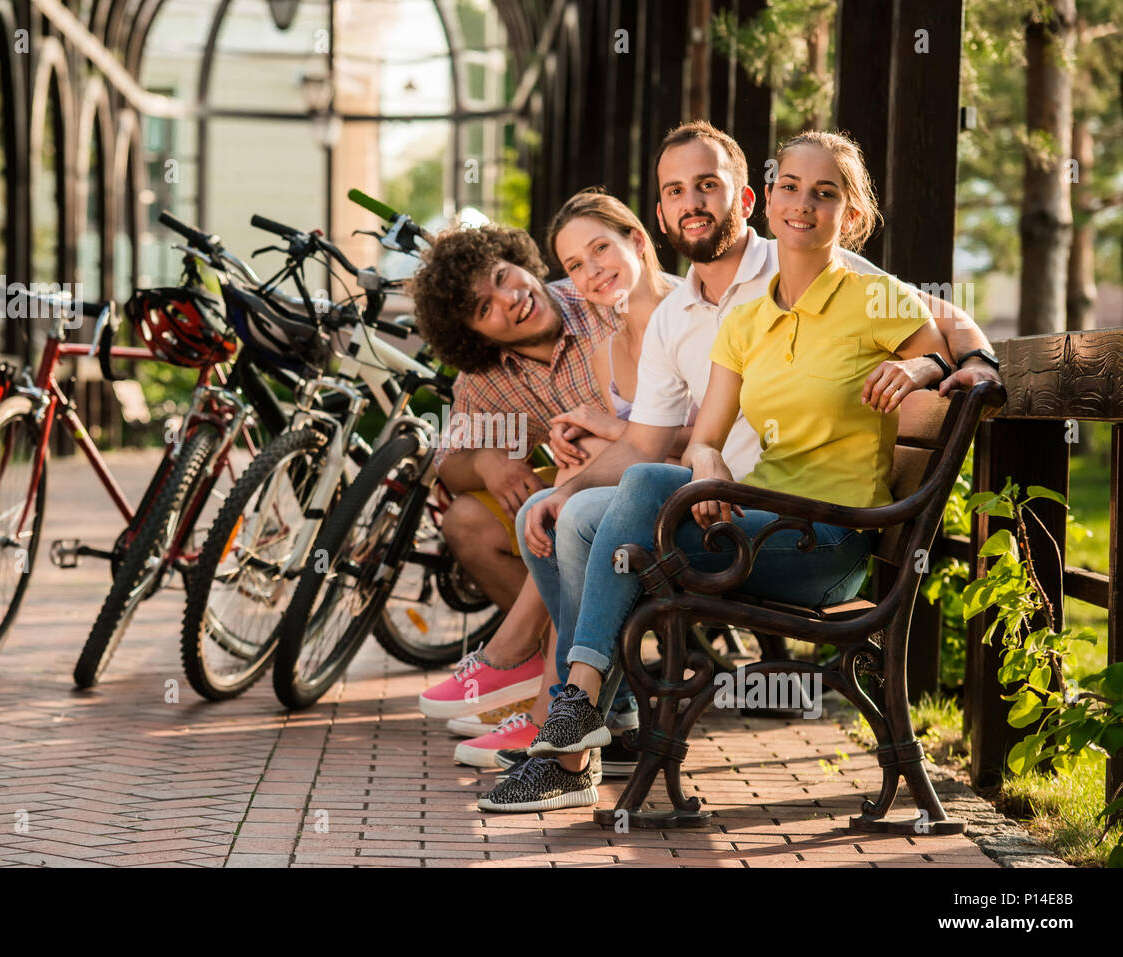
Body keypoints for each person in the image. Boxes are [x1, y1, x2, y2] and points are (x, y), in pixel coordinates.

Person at [475, 122, 1003, 814]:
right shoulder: (744, 320)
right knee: (614, 495)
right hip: (748, 516)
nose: (803, 205)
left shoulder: (862, 290)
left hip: (828, 538)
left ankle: (573, 725)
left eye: (823, 194)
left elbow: (941, 331)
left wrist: (944, 363)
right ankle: (590, 711)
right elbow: (686, 440)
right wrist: (705, 461)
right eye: (793, 187)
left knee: (627, 503)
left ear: (847, 213)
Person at [417, 189, 691, 772]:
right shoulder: (487, 374)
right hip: (607, 489)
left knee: (565, 506)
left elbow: (657, 433)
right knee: (473, 515)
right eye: (485, 307)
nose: (511, 299)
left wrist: (593, 447)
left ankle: (538, 686)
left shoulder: (598, 300)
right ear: (475, 335)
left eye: (503, 275)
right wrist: (490, 460)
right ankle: (561, 686)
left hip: (652, 490)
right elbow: (448, 459)